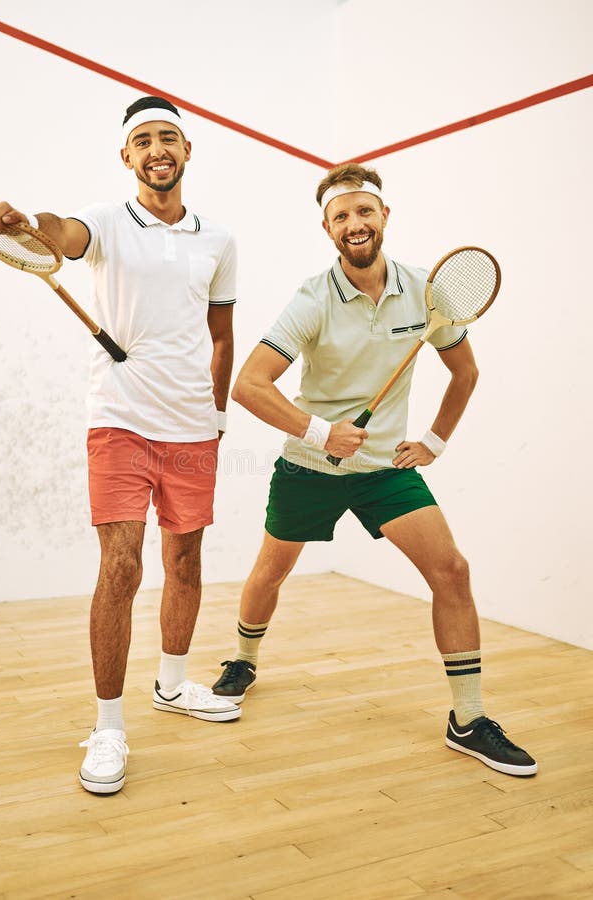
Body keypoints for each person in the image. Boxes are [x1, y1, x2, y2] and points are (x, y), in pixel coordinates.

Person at [212, 163, 537, 778]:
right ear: (328, 229)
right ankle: (242, 660)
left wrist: (434, 442)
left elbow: (464, 372)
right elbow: (249, 384)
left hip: (384, 470)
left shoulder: (428, 292)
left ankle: (467, 720)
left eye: (364, 211)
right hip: (310, 466)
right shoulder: (311, 298)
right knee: (269, 574)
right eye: (341, 217)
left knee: (452, 571)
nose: (354, 224)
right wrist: (319, 430)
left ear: (383, 216)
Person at [0, 96, 241, 795]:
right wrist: (25, 225)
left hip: (191, 426)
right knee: (121, 566)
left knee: (185, 559)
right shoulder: (104, 222)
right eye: (144, 139)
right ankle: (109, 727)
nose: (157, 149)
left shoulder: (219, 240)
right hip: (118, 420)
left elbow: (220, 336)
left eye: (169, 138)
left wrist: (215, 414)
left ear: (187, 153)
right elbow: (59, 234)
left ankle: (174, 685)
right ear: (127, 156)